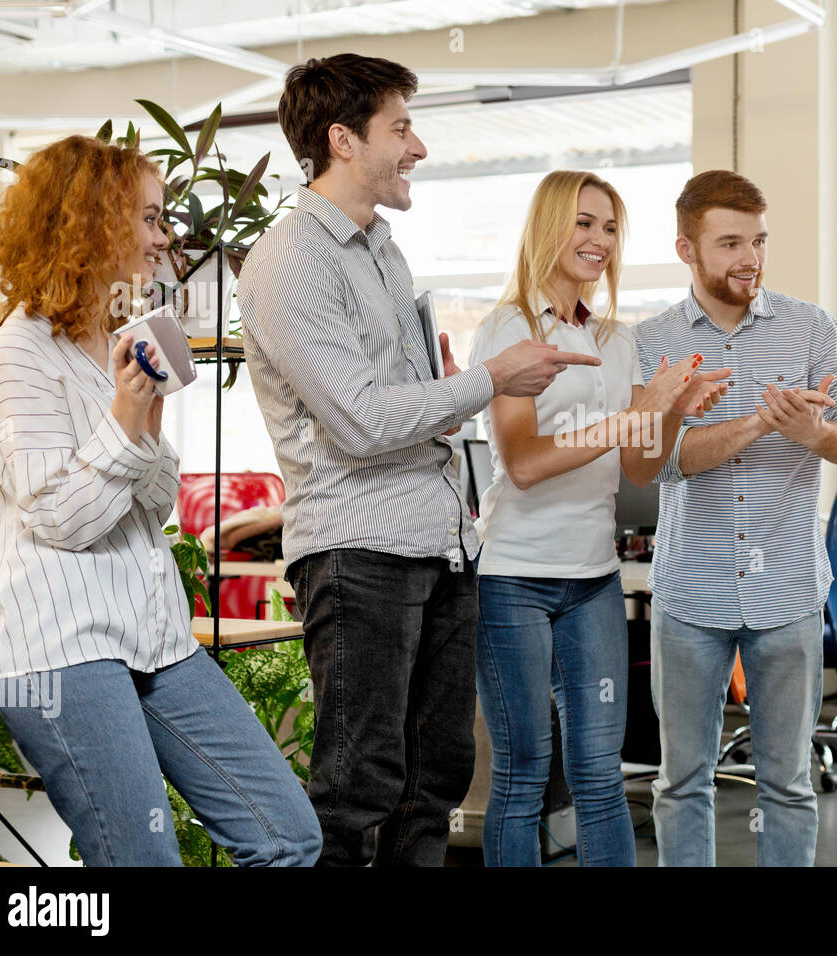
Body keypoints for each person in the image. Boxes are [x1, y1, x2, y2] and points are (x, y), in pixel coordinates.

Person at [238, 54, 600, 866]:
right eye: (401, 128)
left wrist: (446, 389)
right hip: (359, 553)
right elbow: (361, 422)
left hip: (438, 547)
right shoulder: (290, 260)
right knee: (355, 787)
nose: (420, 147)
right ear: (341, 140)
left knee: (431, 782)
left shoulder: (383, 252)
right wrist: (488, 380)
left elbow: (399, 405)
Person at [0, 134, 321, 866]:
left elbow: (152, 502)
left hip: (152, 639)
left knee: (286, 834)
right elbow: (64, 521)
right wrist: (129, 417)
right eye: (152, 217)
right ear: (91, 222)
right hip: (59, 652)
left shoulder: (119, 344)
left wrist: (146, 416)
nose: (165, 238)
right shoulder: (17, 359)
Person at [467, 170, 729, 866]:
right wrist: (631, 416)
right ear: (550, 226)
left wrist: (670, 409)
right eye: (584, 223)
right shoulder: (507, 331)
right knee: (524, 775)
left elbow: (641, 466)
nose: (599, 240)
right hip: (513, 577)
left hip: (592, 580)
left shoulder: (618, 341)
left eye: (611, 228)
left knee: (599, 774)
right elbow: (522, 461)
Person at [633, 170, 837, 867]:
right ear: (686, 249)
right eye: (731, 242)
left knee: (789, 784)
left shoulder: (811, 328)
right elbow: (658, 463)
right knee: (682, 782)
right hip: (690, 595)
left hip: (790, 593)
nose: (751, 258)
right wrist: (761, 425)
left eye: (760, 241)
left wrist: (816, 437)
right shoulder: (651, 343)